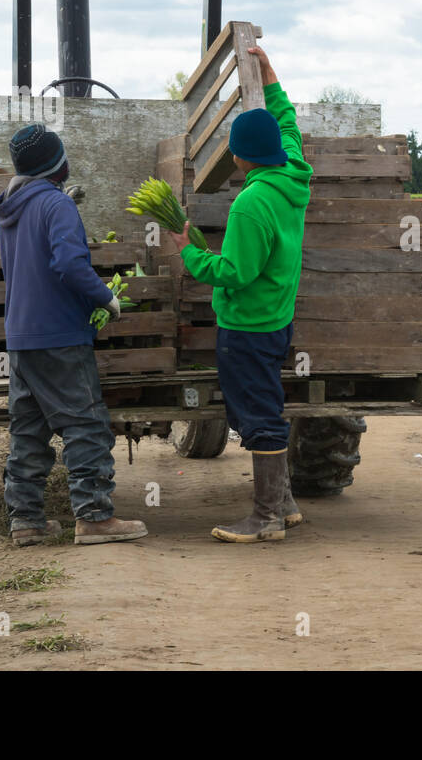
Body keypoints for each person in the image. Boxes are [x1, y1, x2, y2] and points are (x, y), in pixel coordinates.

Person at [169, 45, 313, 543]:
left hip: (248, 326)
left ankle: (266, 519)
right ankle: (286, 505)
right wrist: (270, 78)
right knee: (261, 406)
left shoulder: (251, 203)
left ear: (239, 157)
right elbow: (288, 127)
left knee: (257, 415)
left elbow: (235, 272)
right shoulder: (294, 174)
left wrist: (188, 253)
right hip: (275, 318)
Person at [0, 124, 148, 546]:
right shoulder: (56, 206)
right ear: (56, 164)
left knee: (28, 430)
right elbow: (69, 265)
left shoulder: (13, 206)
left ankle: (26, 521)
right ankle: (95, 517)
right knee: (86, 423)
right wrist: (106, 299)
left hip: (21, 336)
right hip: (59, 333)